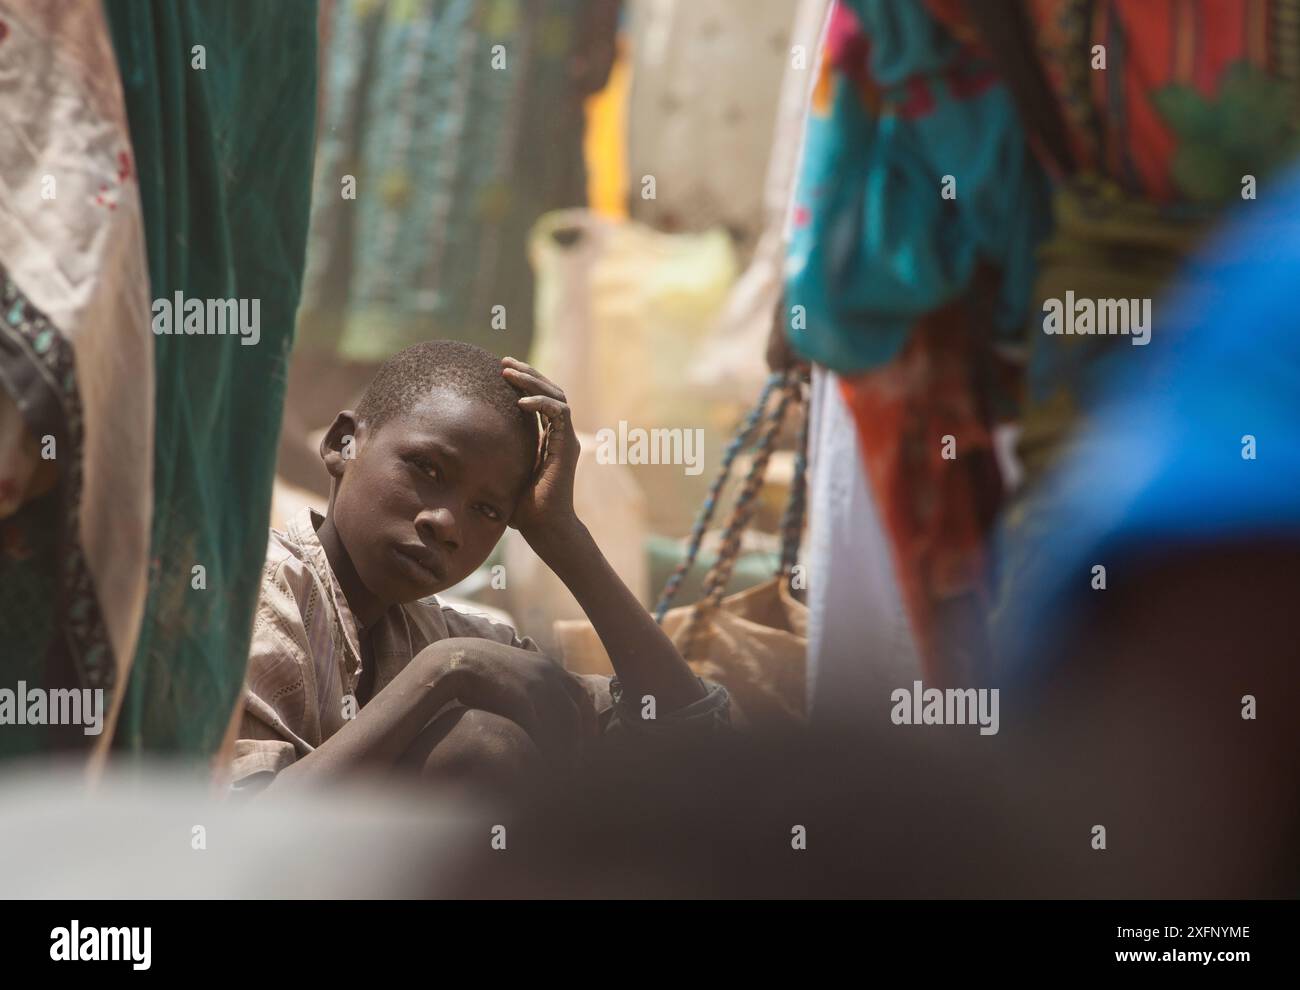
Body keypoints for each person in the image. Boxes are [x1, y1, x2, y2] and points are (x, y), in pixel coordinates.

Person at [231, 341, 729, 793]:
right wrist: (445, 672)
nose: (446, 523)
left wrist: (562, 536)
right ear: (344, 444)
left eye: (489, 510)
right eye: (427, 469)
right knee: (480, 745)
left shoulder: (437, 629)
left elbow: (690, 743)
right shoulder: (258, 600)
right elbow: (240, 836)